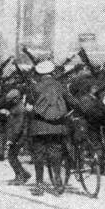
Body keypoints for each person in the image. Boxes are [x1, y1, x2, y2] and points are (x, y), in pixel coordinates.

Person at [27, 60, 73, 195]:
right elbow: (71, 102)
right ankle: (58, 183)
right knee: (56, 153)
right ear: (52, 72)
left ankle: (39, 184)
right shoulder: (60, 86)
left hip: (39, 127)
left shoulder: (35, 87)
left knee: (39, 155)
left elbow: (29, 107)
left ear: (39, 74)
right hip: (57, 127)